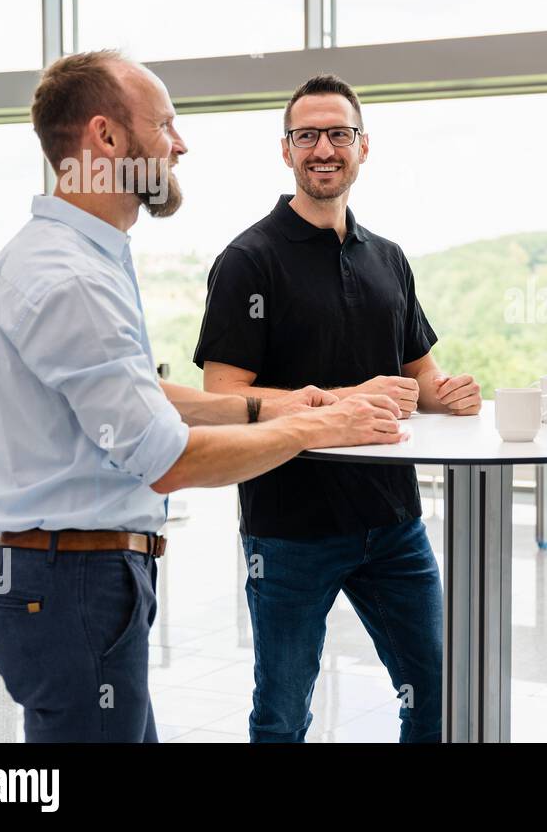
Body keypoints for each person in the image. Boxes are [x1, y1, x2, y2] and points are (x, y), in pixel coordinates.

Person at [0, 50, 404, 743]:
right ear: (107, 139)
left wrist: (283, 406)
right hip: (70, 584)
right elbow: (167, 458)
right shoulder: (70, 278)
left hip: (74, 579)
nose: (180, 144)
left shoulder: (74, 256)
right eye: (165, 125)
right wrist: (319, 430)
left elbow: (138, 396)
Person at [194, 75, 481, 743]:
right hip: (290, 525)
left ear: (363, 146)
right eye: (308, 135)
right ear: (287, 150)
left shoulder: (388, 258)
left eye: (338, 134)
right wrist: (332, 401)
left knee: (438, 691)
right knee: (283, 715)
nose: (324, 148)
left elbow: (419, 373)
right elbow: (220, 397)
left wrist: (449, 392)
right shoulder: (248, 261)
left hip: (392, 519)